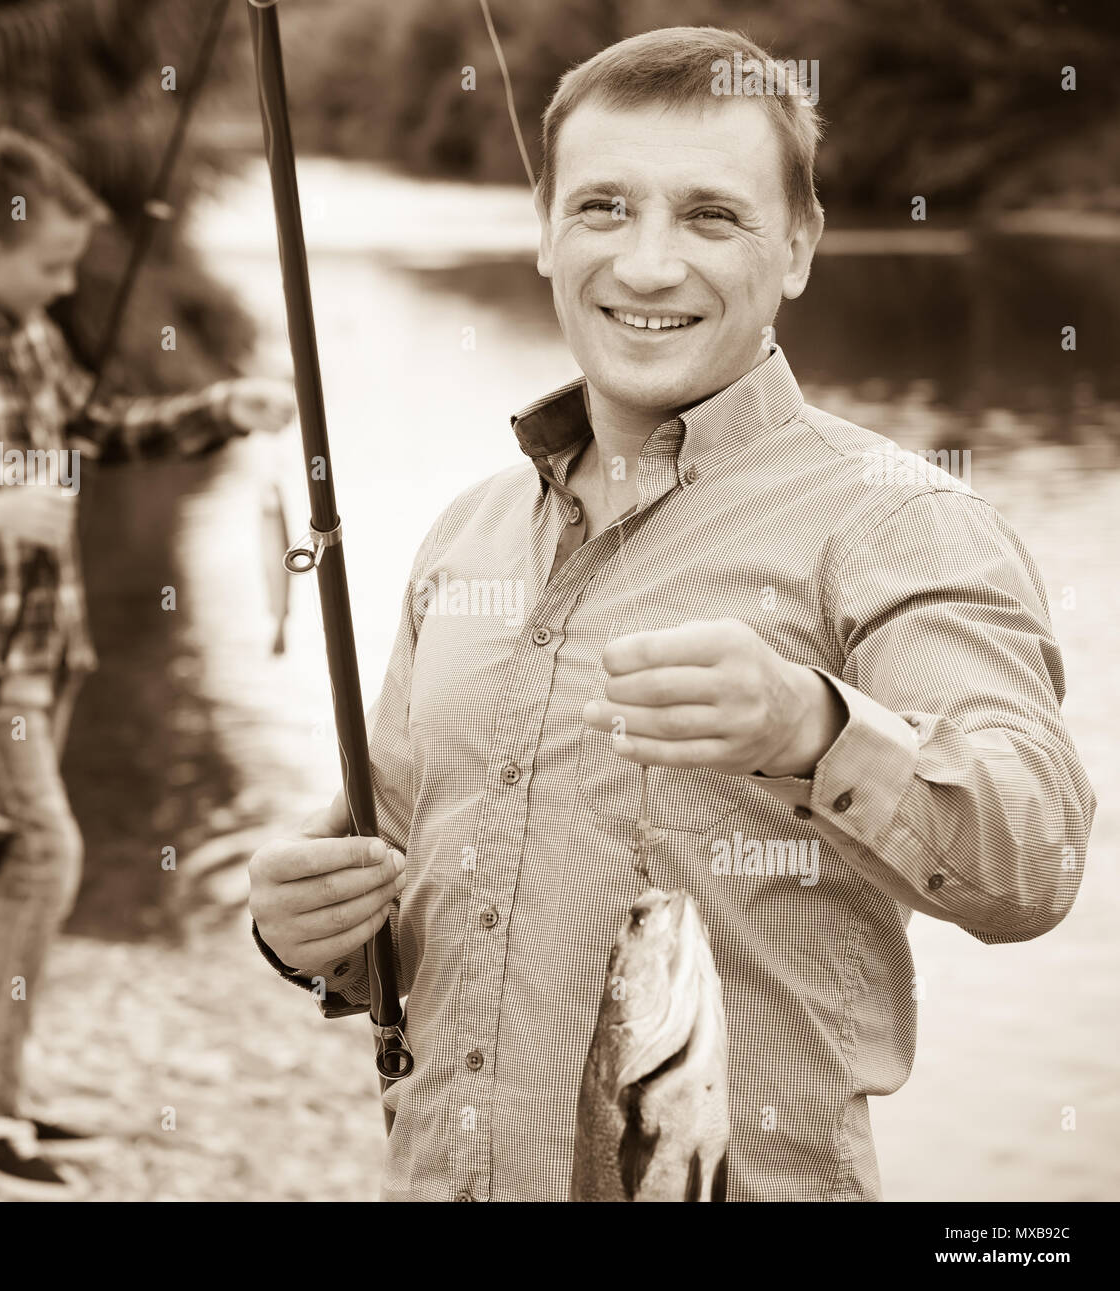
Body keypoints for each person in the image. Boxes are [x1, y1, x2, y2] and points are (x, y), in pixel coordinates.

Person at [247, 27, 1096, 1201]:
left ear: (796, 248)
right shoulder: (469, 533)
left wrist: (813, 728)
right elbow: (400, 860)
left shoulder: (899, 519)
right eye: (602, 208)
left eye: (709, 216)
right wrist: (305, 932)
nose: (646, 267)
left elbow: (1034, 858)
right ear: (544, 228)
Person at [0, 128, 294, 1196]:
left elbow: (105, 430)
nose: (59, 288)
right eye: (48, 265)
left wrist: (220, 410)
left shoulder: (30, 337)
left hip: (50, 648)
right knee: (46, 847)